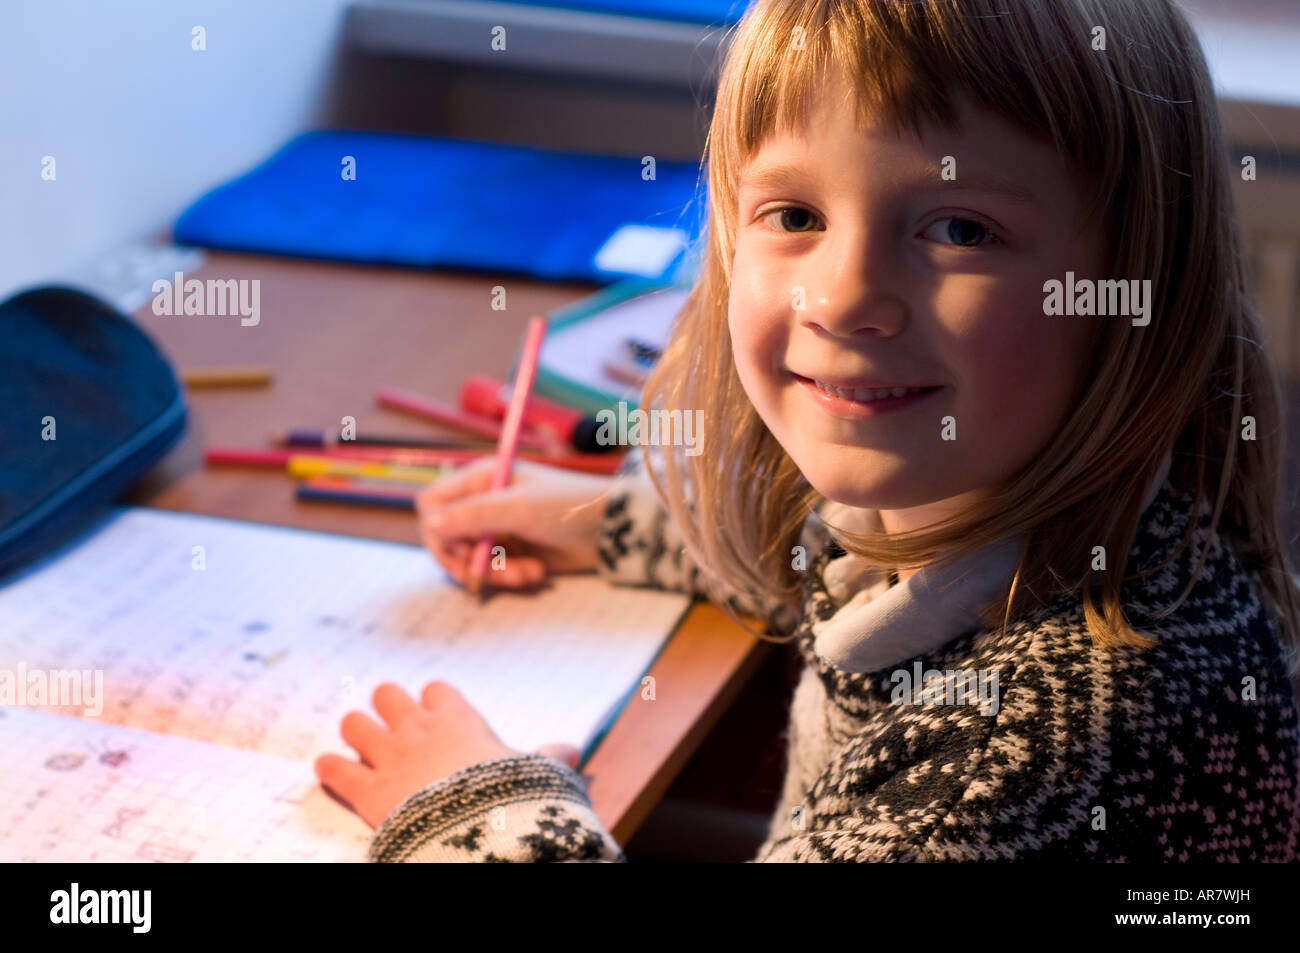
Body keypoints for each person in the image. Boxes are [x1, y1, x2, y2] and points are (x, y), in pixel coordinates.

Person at [314, 0, 1300, 862]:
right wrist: (603, 524)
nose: (842, 297)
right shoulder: (1044, 501)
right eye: (793, 213)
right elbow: (841, 556)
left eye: (958, 229)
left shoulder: (1016, 763)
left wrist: (477, 813)